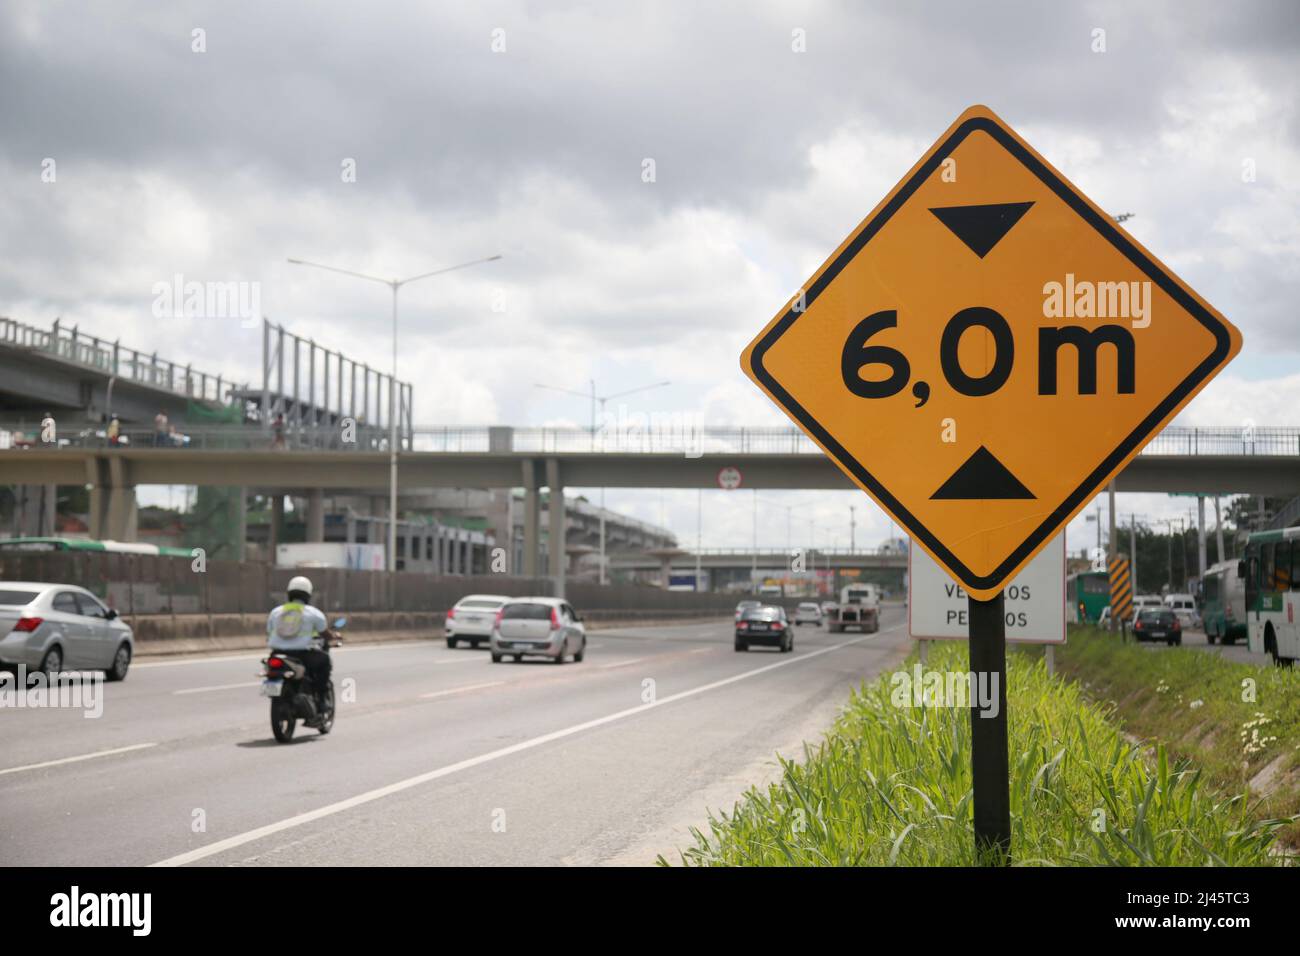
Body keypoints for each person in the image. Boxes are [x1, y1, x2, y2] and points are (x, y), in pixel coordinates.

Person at [266, 575, 334, 723]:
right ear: (308, 595)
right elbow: (325, 633)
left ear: (289, 594)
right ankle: (321, 701)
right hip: (301, 655)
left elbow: (269, 632)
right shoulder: (313, 613)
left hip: (276, 654)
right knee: (324, 661)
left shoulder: (275, 612)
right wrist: (333, 637)